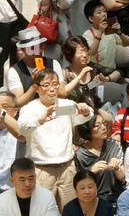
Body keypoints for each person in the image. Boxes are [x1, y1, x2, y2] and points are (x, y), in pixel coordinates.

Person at [11, 68, 93, 207]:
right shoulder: (29, 109)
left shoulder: (66, 105)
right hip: (41, 169)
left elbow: (85, 115)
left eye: (55, 84)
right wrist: (40, 120)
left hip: (67, 168)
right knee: (41, 212)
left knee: (70, 211)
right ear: (37, 88)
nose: (52, 89)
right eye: (46, 85)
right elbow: (22, 131)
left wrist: (85, 111)